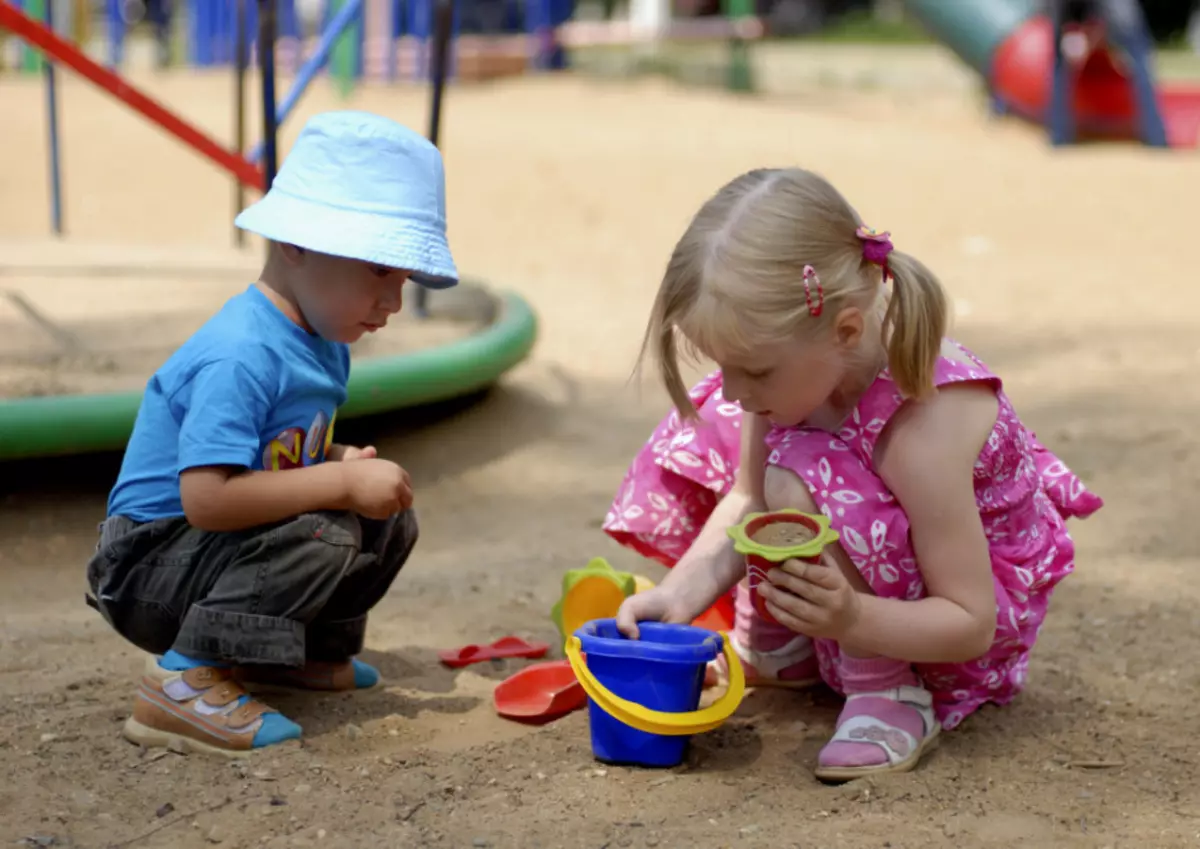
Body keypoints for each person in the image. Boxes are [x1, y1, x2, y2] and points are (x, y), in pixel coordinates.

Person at [604, 168, 1103, 781]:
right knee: (748, 444)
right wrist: (676, 598)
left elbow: (973, 623)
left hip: (942, 644)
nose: (734, 388)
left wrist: (852, 622)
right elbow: (746, 499)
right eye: (724, 365)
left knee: (802, 474)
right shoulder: (804, 369)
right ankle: (786, 643)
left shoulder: (926, 425)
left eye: (754, 370)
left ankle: (889, 694)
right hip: (855, 608)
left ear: (845, 329)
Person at [85, 111, 458, 758]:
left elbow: (276, 454)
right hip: (149, 565)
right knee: (327, 528)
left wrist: (337, 457)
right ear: (297, 244)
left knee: (388, 520)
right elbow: (208, 497)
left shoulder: (324, 340)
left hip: (210, 551)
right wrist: (338, 479)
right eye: (379, 271)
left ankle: (296, 655)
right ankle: (182, 680)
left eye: (402, 280)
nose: (394, 302)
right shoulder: (242, 353)